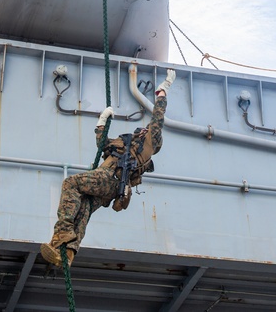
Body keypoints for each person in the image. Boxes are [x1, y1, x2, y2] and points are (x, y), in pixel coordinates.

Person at [40, 67, 175, 267]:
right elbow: (102, 144)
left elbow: (157, 119)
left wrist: (164, 90)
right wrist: (101, 123)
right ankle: (67, 252)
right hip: (107, 184)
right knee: (84, 207)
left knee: (71, 183)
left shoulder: (149, 145)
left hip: (110, 178)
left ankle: (62, 233)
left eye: (147, 131)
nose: (144, 130)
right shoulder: (124, 143)